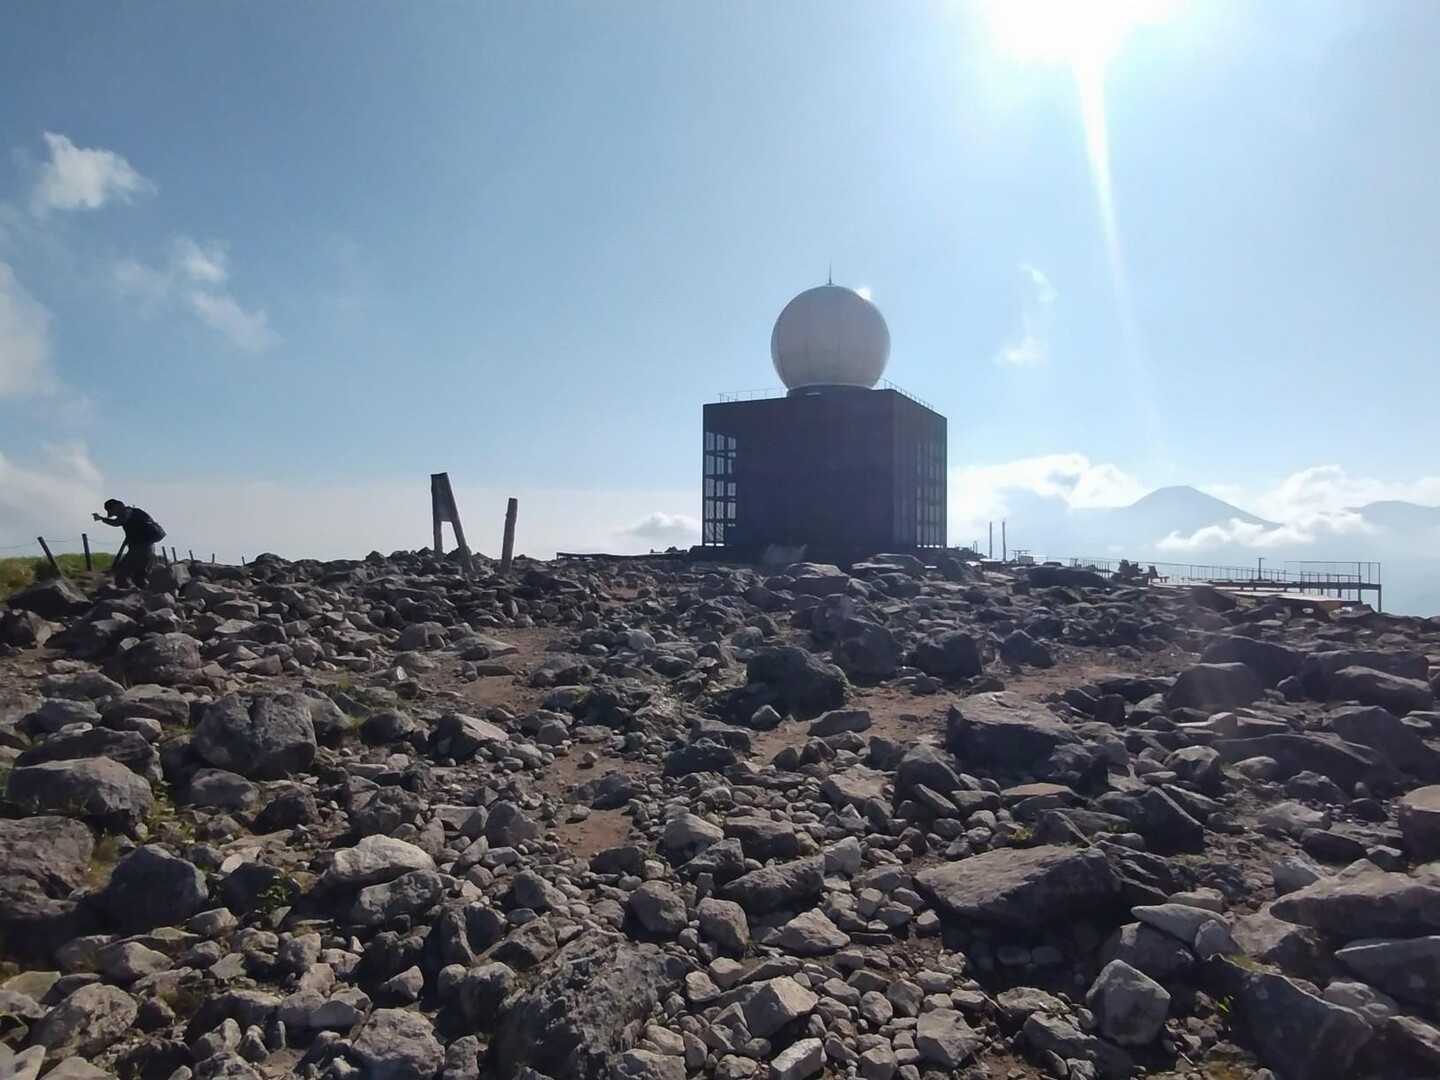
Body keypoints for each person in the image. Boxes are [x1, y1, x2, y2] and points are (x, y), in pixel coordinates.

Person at [93, 499, 165, 588]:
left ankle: (124, 594)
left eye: (113, 512)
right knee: (139, 575)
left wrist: (102, 519)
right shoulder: (135, 512)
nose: (115, 515)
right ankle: (144, 596)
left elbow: (118, 522)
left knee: (121, 571)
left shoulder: (126, 512)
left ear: (116, 506)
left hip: (140, 547)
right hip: (149, 547)